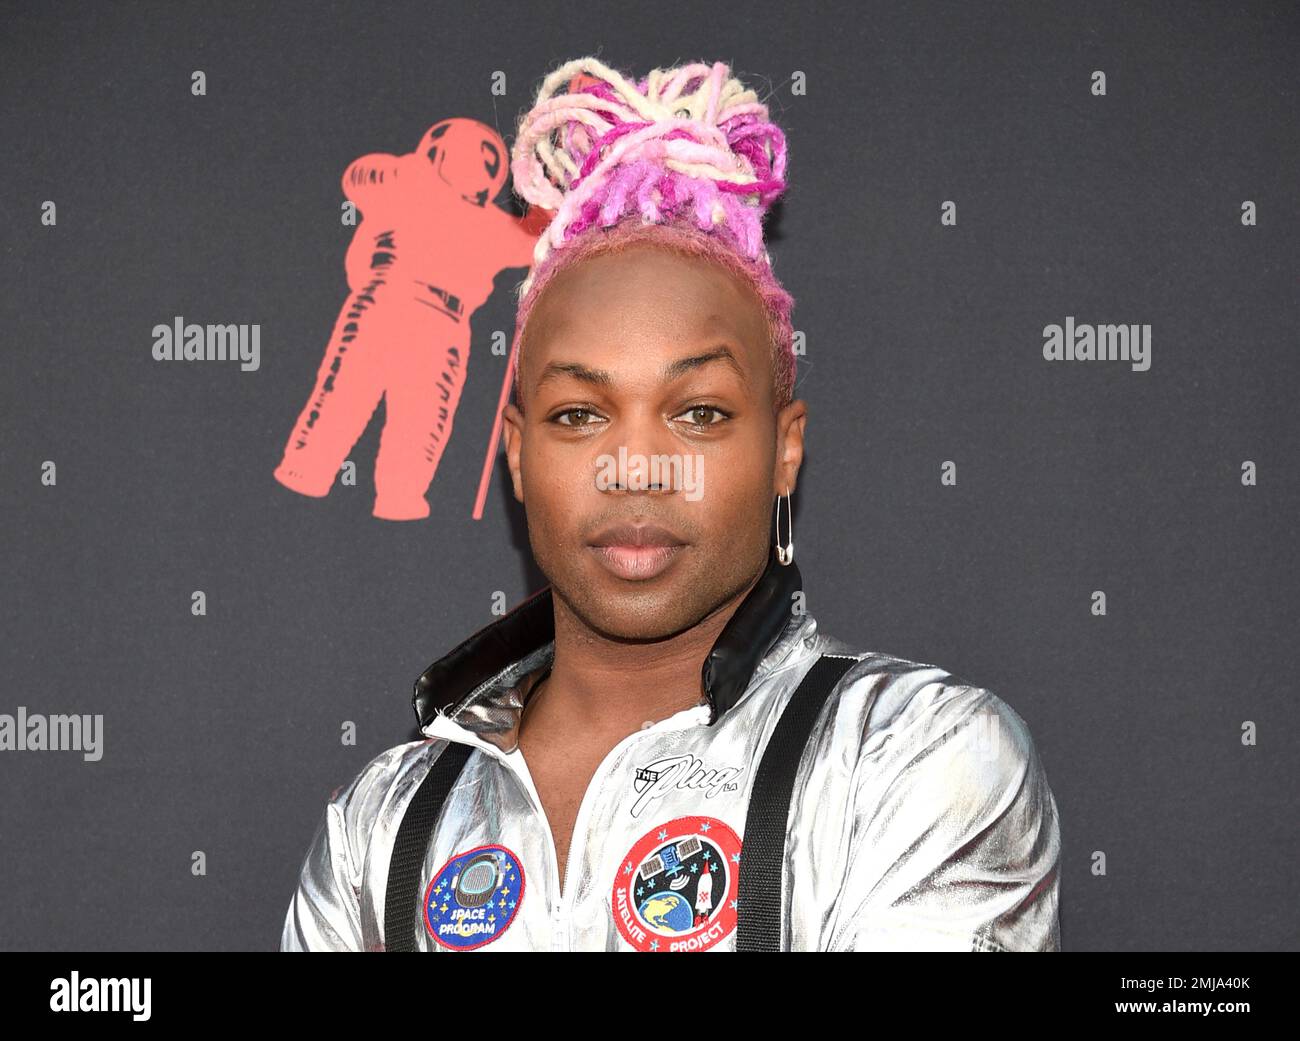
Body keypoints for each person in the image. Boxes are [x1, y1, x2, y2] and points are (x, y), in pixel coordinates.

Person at [279, 56, 1061, 953]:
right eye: (580, 414)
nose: (636, 468)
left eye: (698, 413)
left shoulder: (916, 759)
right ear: (520, 456)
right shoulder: (379, 826)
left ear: (784, 449)